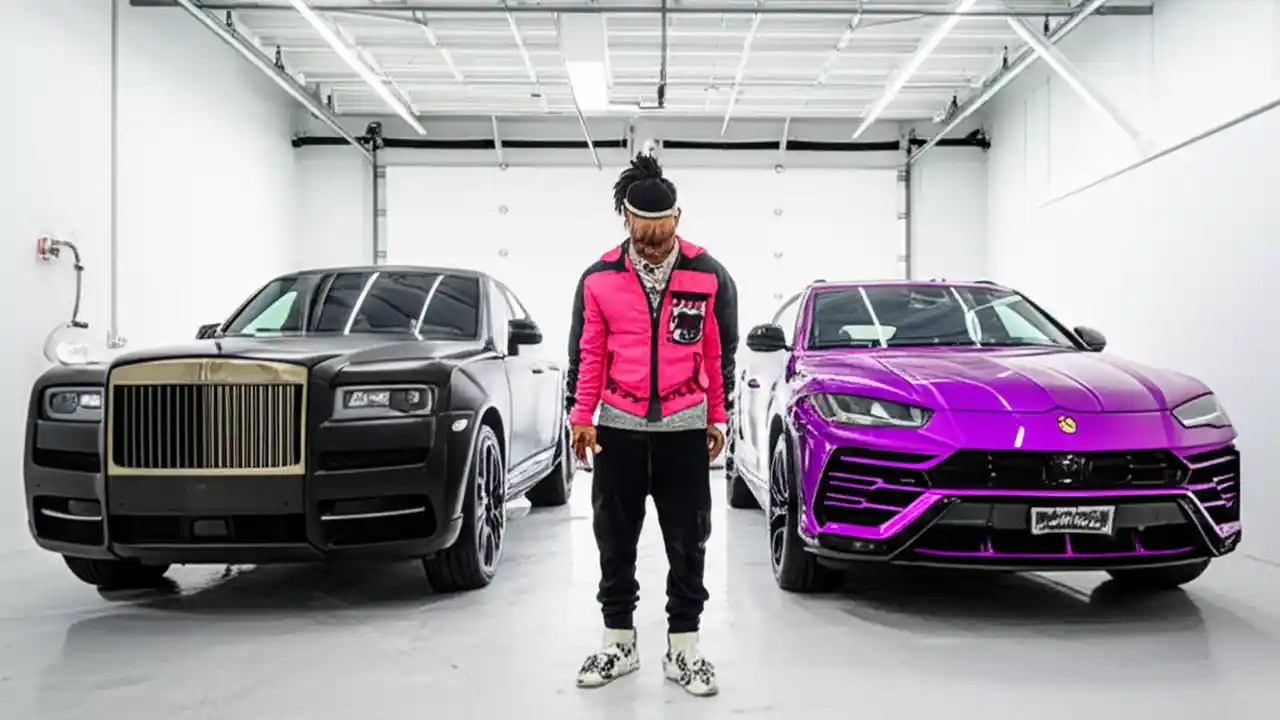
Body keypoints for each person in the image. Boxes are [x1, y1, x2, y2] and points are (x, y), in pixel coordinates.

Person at [565, 154, 738, 697]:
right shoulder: (598, 279)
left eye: (664, 228)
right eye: (644, 228)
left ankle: (683, 648)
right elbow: (589, 352)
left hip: (685, 428)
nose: (655, 238)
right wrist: (581, 417)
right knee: (614, 538)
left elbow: (718, 352)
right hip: (619, 425)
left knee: (689, 540)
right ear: (626, 219)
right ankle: (619, 642)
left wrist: (717, 415)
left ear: (678, 219)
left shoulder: (707, 273)